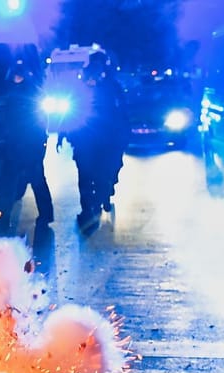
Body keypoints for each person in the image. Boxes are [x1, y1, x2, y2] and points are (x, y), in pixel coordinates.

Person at [0, 58, 55, 237]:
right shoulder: (22, 93)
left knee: (33, 183)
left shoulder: (28, 94)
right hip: (19, 147)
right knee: (13, 185)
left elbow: (38, 122)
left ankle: (43, 215)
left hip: (27, 147)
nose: (16, 78)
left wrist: (38, 144)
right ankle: (4, 218)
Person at [68, 51, 125, 236]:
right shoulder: (83, 86)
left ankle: (100, 200)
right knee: (87, 177)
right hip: (87, 141)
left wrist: (122, 137)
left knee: (100, 175)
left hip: (104, 141)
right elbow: (72, 111)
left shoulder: (111, 86)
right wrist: (66, 134)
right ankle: (89, 210)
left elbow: (121, 112)